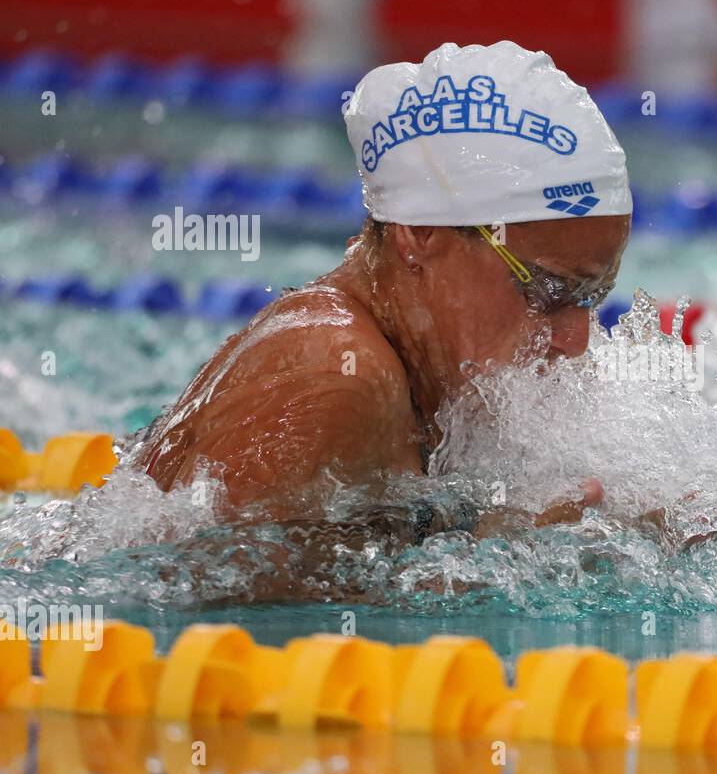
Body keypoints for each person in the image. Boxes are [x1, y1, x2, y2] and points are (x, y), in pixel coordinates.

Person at [128, 41, 632, 526]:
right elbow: (202, 592)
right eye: (548, 291)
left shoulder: (432, 382)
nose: (577, 339)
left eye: (594, 298)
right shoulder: (337, 376)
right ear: (421, 233)